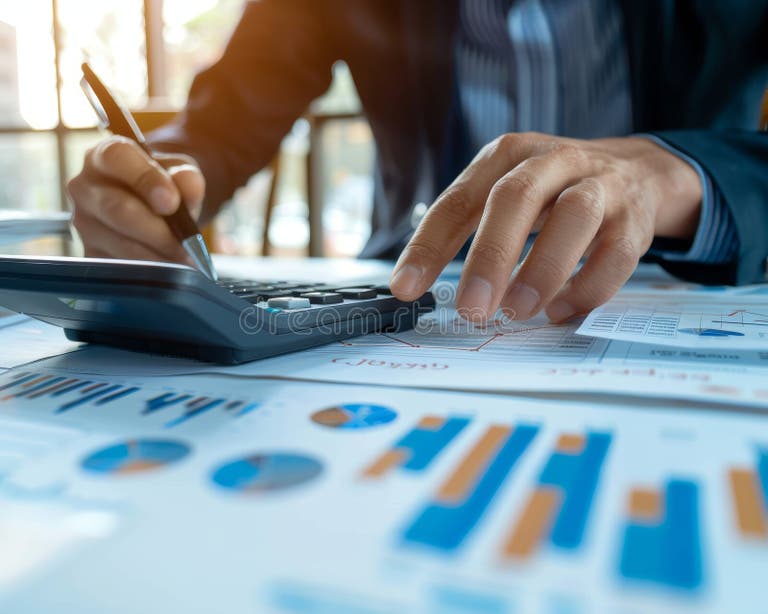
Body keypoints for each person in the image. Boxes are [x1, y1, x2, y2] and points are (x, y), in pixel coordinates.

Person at [67, 0, 768, 323]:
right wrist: (150, 184)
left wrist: (682, 172)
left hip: (684, 293)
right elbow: (223, 123)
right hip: (409, 294)